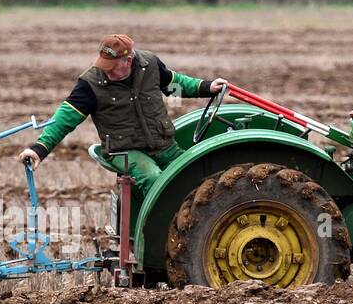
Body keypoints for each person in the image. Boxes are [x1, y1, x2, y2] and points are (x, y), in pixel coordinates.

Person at [18, 34, 228, 195]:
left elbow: (176, 84)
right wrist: (40, 149)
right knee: (153, 178)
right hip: (125, 151)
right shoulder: (90, 83)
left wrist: (207, 87)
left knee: (194, 176)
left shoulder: (150, 64)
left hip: (163, 145)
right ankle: (158, 232)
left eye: (111, 67)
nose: (106, 71)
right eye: (104, 65)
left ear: (128, 61)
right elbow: (64, 119)